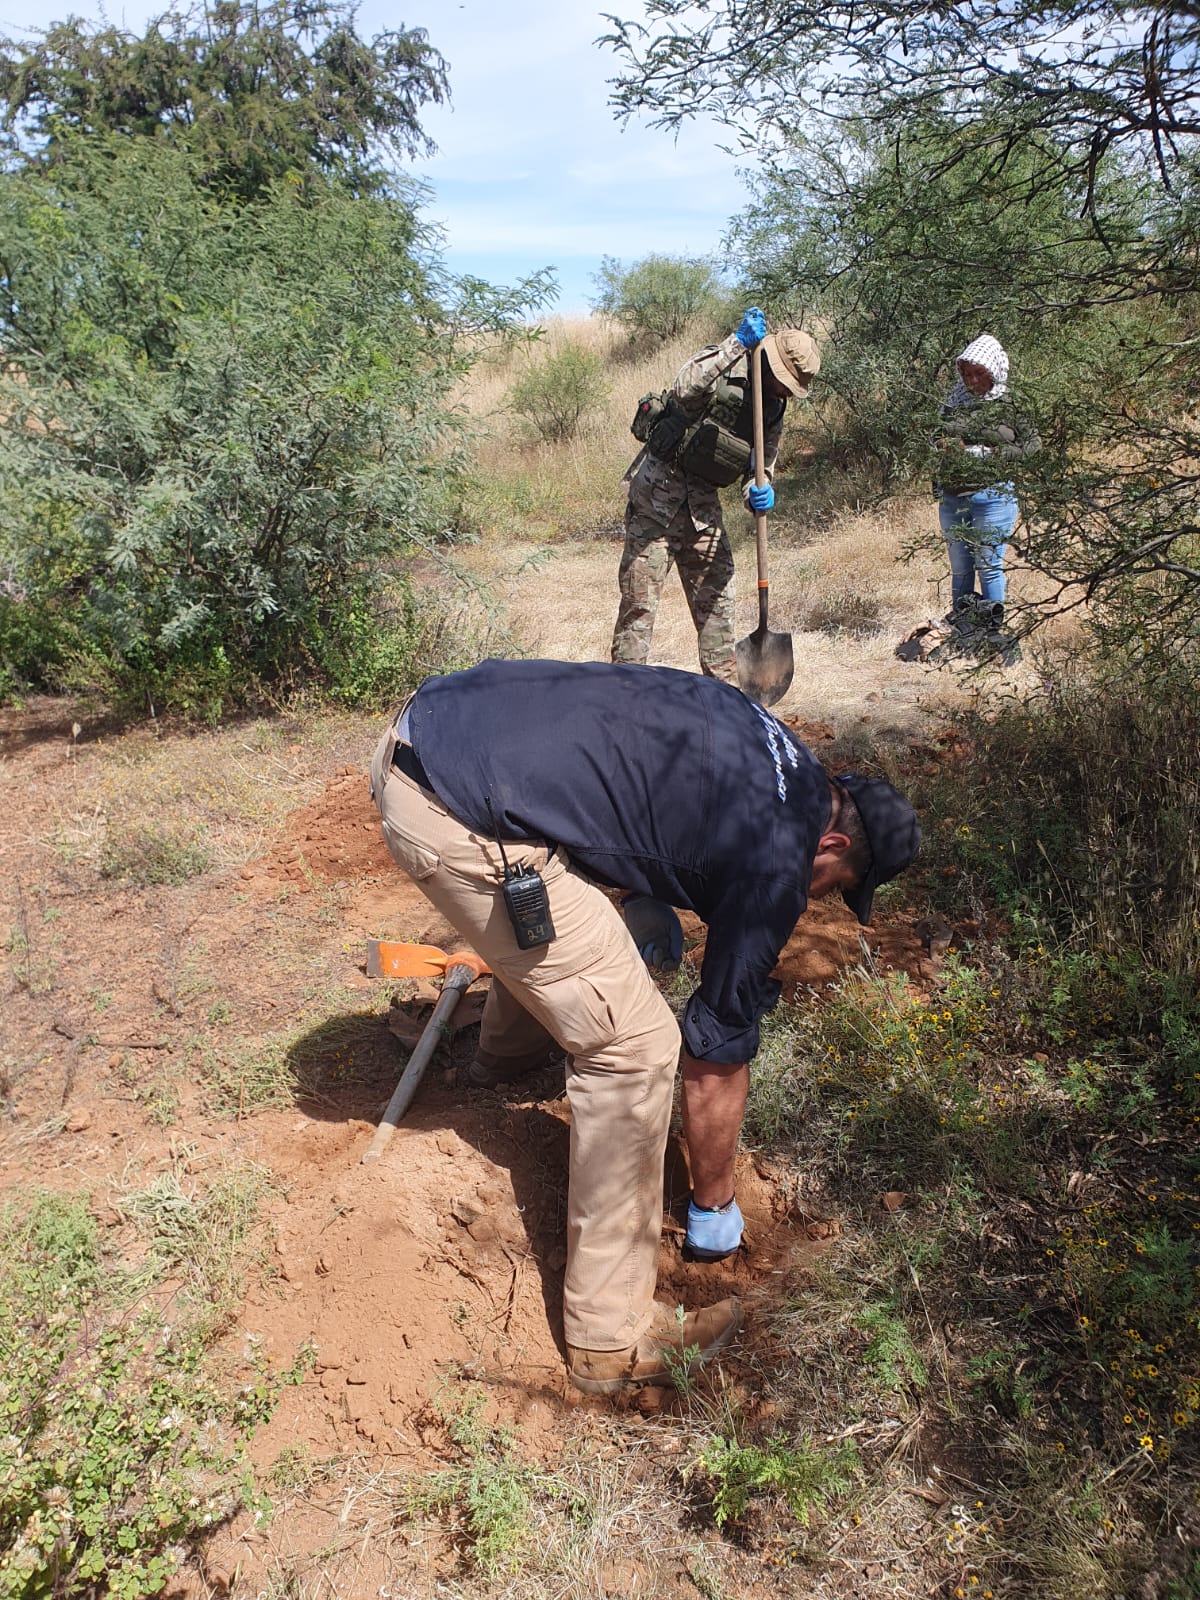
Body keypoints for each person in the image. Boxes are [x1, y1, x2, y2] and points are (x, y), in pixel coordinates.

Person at [369, 659, 920, 1396]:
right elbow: (712, 1053)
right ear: (834, 848)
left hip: (439, 723)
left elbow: (629, 791)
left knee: (581, 935)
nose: (818, 903)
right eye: (837, 891)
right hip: (455, 811)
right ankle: (610, 1341)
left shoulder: (777, 752)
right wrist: (714, 1203)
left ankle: (498, 1061)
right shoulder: (777, 862)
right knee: (635, 1047)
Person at [611, 309, 821, 684]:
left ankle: (724, 702)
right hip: (655, 501)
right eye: (785, 382)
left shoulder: (773, 410)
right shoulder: (725, 363)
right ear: (771, 365)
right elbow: (683, 388)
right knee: (638, 609)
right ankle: (625, 698)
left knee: (718, 607)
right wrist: (737, 342)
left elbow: (762, 461)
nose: (786, 392)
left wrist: (760, 488)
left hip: (703, 512)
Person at [933, 333, 1040, 643]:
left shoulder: (1012, 403)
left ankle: (993, 636)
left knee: (989, 565)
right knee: (961, 569)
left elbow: (1033, 445)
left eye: (978, 372)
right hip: (954, 497)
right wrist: (944, 446)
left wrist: (995, 454)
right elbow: (934, 436)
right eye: (966, 372)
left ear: (994, 370)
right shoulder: (953, 400)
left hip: (994, 497)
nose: (971, 379)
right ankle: (964, 633)